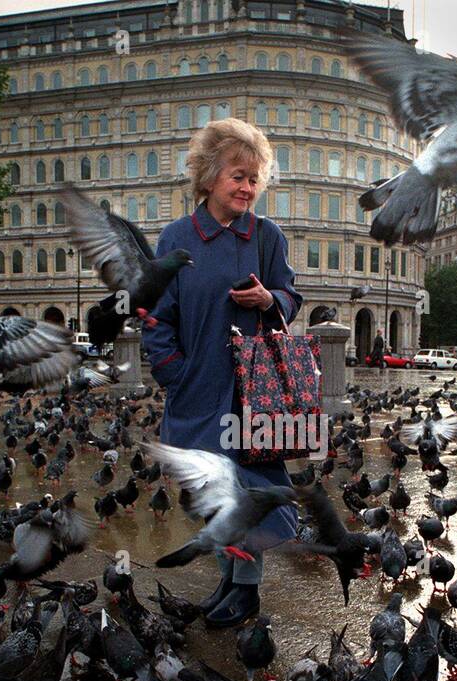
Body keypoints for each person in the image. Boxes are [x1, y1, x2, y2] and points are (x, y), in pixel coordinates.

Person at [141, 118, 303, 628]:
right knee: (207, 495)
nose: (247, 187)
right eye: (238, 175)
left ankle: (247, 593)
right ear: (209, 178)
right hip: (196, 389)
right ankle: (230, 581)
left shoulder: (267, 237)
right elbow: (155, 315)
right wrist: (173, 372)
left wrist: (269, 298)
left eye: (255, 179)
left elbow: (290, 296)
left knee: (246, 493)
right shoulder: (176, 237)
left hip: (253, 394)